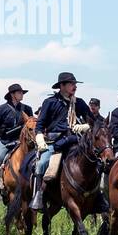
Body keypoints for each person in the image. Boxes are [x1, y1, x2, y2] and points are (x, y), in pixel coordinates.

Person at [31, 72, 94, 210]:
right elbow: (40, 126)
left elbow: (93, 121)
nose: (75, 86)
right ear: (62, 86)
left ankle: (97, 197)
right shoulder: (50, 102)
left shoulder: (79, 103)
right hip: (55, 143)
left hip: (76, 141)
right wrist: (40, 139)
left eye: (75, 84)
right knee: (41, 164)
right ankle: (38, 196)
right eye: (72, 84)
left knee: (95, 160)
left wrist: (85, 126)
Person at [0, 84, 34, 193]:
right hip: (5, 141)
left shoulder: (27, 108)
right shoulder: (1, 109)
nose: (22, 94)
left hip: (21, 142)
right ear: (12, 95)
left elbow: (30, 124)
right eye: (19, 92)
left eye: (22, 92)